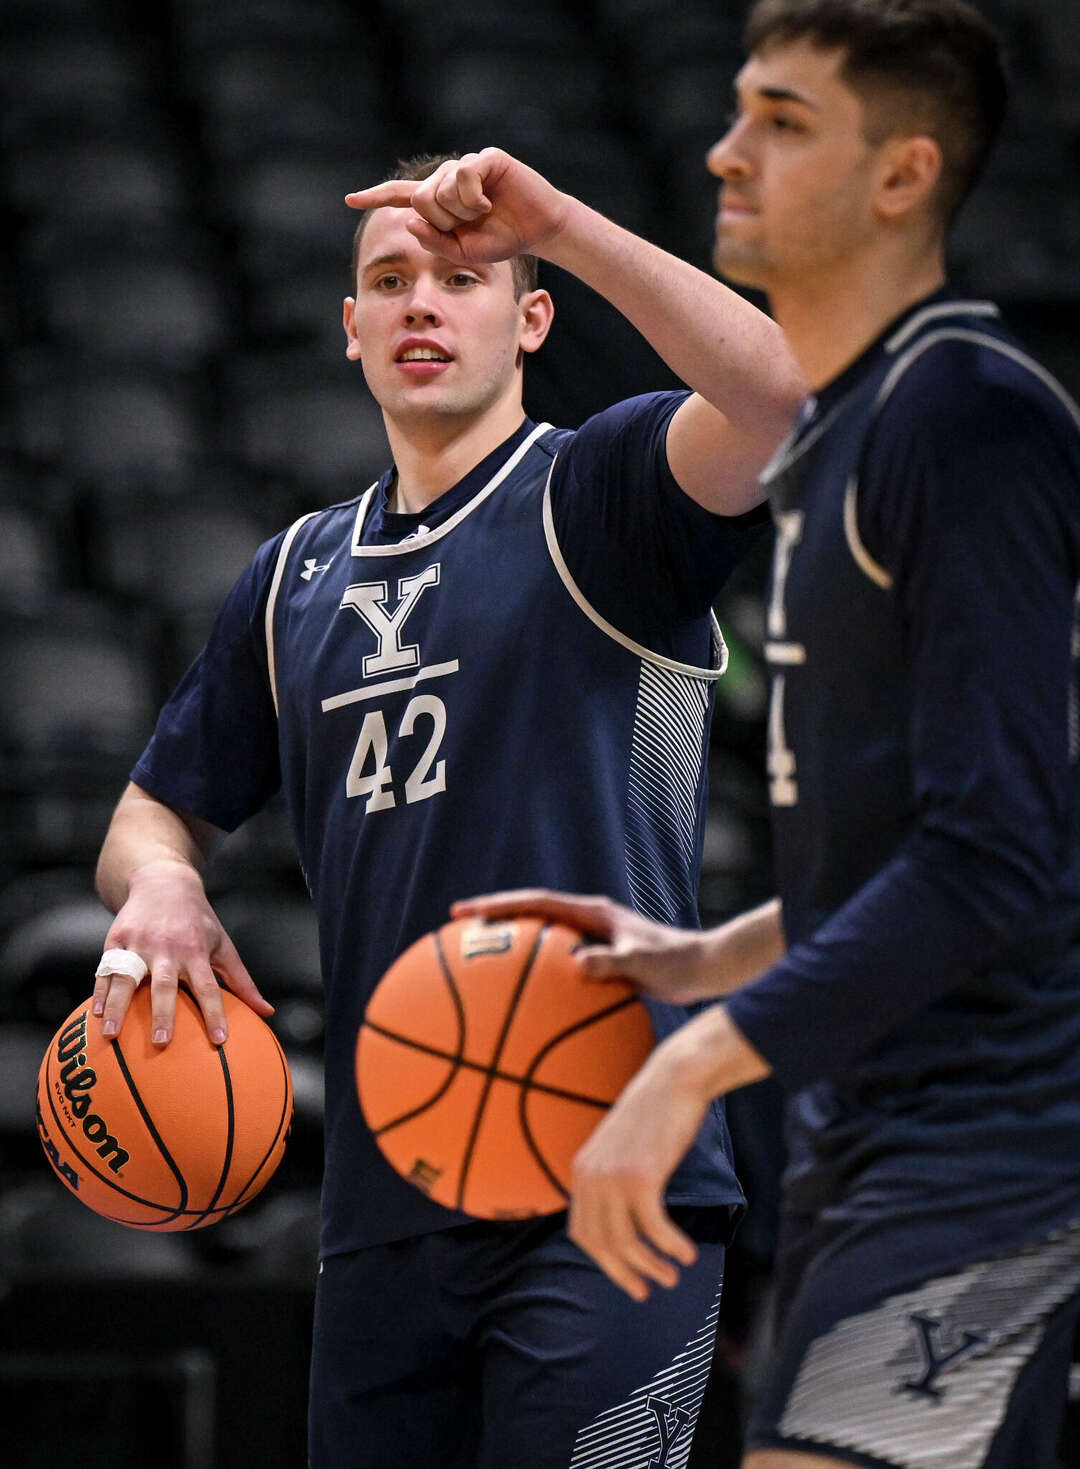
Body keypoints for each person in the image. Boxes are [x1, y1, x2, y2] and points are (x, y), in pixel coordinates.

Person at [89, 149, 805, 1468]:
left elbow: (777, 396)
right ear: (350, 329)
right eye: (391, 280)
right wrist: (164, 880)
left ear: (530, 318)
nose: (423, 302)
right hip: (386, 1205)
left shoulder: (600, 493)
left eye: (465, 277)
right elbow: (151, 810)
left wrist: (567, 228)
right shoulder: (292, 575)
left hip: (610, 1179)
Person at [456, 3, 1080, 1467]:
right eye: (737, 110)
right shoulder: (855, 429)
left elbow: (998, 856)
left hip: (990, 1146)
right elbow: (913, 843)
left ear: (903, 177)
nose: (728, 153)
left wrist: (693, 1061)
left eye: (784, 123)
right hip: (877, 1136)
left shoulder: (965, 421)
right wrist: (700, 959)